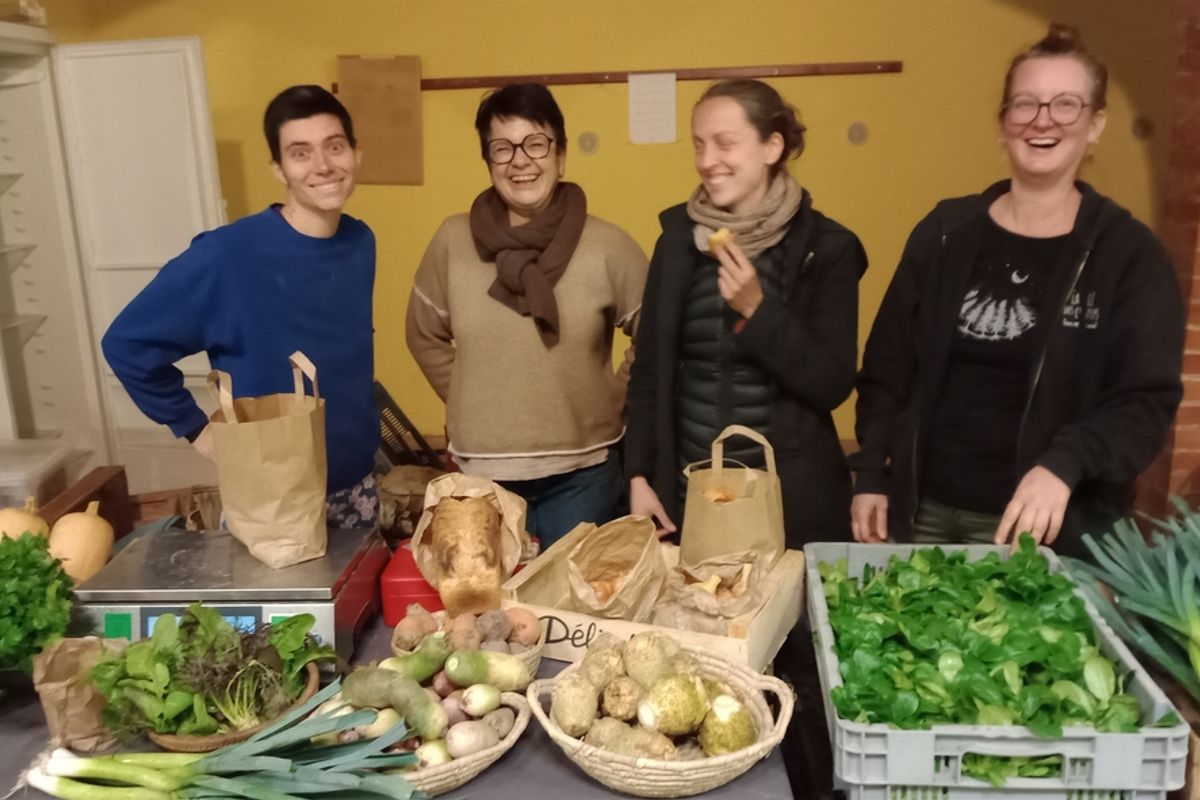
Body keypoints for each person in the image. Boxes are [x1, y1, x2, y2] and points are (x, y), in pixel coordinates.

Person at [850, 24, 1184, 555]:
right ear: (1003, 124)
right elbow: (887, 368)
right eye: (1024, 104)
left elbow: (1143, 402)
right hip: (922, 509)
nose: (1042, 120)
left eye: (1065, 104)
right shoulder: (944, 232)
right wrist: (871, 472)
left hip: (1046, 525)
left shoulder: (1129, 256)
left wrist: (1064, 463)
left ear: (1095, 124)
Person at [102, 85, 380, 527]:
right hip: (271, 499)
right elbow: (126, 345)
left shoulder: (360, 242)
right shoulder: (226, 256)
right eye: (301, 152)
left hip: (359, 486)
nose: (324, 165)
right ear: (279, 168)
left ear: (356, 154)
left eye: (335, 146)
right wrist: (197, 429)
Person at [625, 78, 867, 548]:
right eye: (699, 144)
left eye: (725, 144)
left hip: (787, 507)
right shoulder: (677, 239)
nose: (707, 161)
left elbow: (832, 383)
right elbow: (648, 372)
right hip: (686, 497)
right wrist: (637, 476)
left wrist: (758, 311)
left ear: (772, 146)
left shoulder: (828, 248)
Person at [406, 83, 648, 549]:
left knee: (571, 611)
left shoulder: (608, 246)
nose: (520, 161)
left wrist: (612, 395)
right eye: (502, 148)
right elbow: (424, 335)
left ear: (560, 155)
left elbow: (654, 338)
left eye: (535, 144)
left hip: (583, 476)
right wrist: (469, 396)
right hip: (481, 479)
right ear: (489, 161)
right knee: (484, 614)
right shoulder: (453, 242)